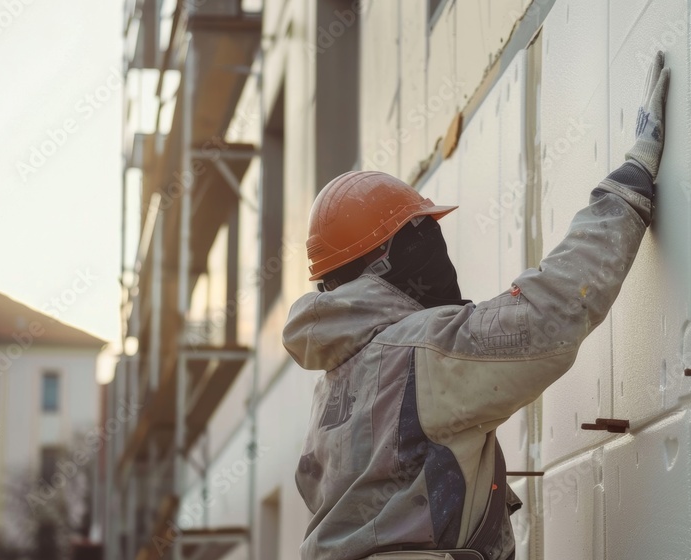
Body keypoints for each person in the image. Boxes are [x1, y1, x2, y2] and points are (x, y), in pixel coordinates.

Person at [283, 51, 670, 560]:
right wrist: (630, 183)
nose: (436, 250)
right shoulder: (420, 352)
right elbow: (549, 313)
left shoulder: (331, 391)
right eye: (421, 235)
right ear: (383, 263)